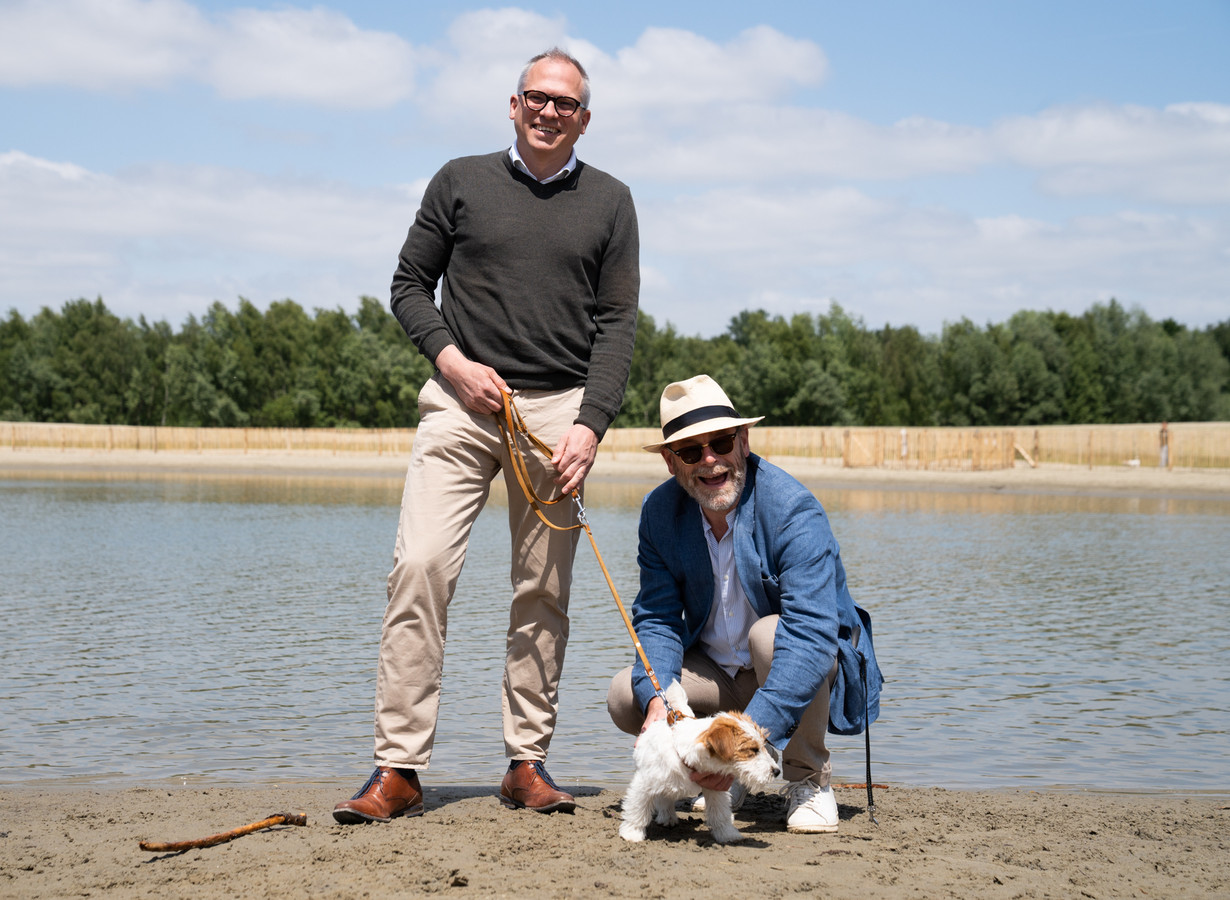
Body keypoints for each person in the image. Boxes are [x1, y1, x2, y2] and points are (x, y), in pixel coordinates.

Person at [333, 48, 639, 824]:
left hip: (559, 413)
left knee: (544, 590)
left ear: (585, 119)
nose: (549, 112)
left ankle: (526, 763)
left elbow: (617, 325)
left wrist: (590, 425)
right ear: (512, 105)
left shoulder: (612, 200)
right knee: (421, 566)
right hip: (463, 401)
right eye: (537, 98)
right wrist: (453, 362)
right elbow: (408, 284)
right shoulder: (459, 180)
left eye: (565, 104)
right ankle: (398, 769)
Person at [606, 375, 882, 835]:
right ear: (673, 463)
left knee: (770, 635)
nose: (710, 461)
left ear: (744, 440)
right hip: (716, 673)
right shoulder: (659, 512)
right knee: (626, 694)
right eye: (692, 452)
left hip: (784, 660)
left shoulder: (793, 508)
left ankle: (808, 780)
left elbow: (815, 636)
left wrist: (746, 735)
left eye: (720, 442)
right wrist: (659, 701)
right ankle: (726, 777)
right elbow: (656, 618)